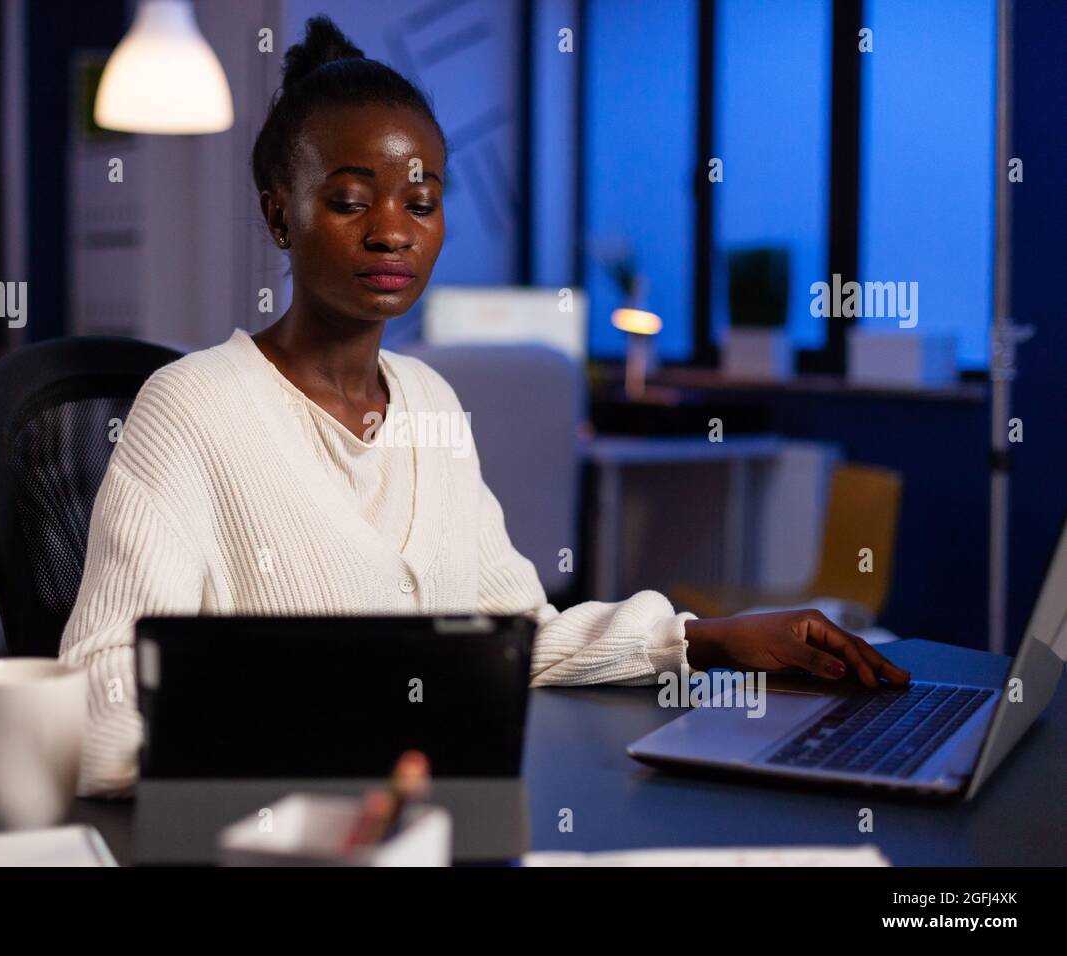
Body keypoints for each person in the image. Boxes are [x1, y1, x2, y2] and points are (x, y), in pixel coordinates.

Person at [59, 15, 909, 798]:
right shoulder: (191, 408)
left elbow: (510, 634)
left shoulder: (430, 402)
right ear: (281, 216)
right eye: (352, 201)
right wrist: (318, 740)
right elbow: (100, 701)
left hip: (428, 817)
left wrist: (707, 639)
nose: (393, 230)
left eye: (421, 203)